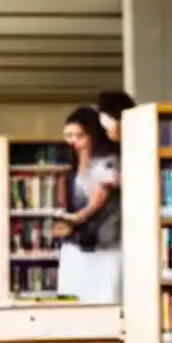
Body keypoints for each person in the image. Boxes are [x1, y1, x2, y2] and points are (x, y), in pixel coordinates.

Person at [54, 106, 122, 303]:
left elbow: (97, 199)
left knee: (105, 304)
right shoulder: (72, 169)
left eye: (80, 135)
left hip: (106, 248)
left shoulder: (107, 164)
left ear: (93, 136)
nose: (74, 142)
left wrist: (75, 218)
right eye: (68, 136)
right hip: (76, 248)